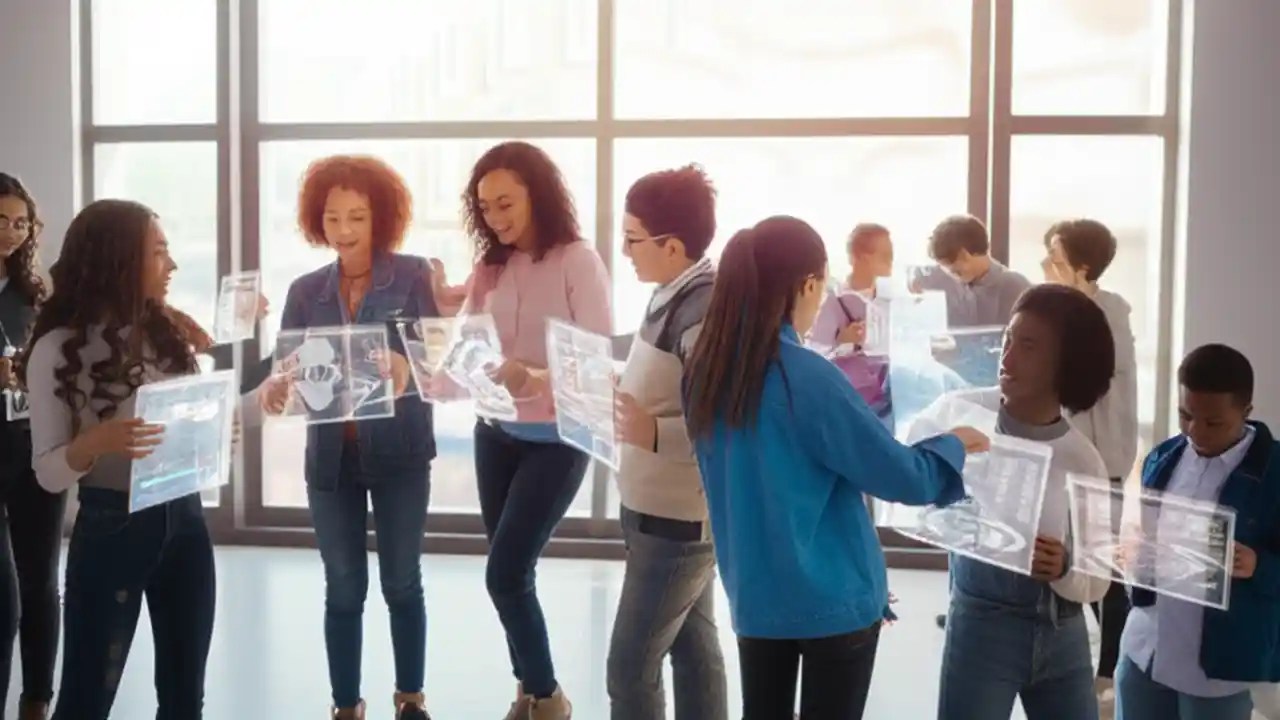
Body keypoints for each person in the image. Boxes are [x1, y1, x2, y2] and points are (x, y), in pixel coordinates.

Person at [681, 214, 989, 718]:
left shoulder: (707, 371)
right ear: (806, 284)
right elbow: (904, 477)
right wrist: (952, 444)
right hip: (831, 601)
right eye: (820, 289)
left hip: (755, 596)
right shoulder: (805, 377)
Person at [18, 199, 233, 718]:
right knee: (88, 698)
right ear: (117, 259)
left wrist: (245, 410)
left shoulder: (167, 334)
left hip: (186, 524)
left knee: (186, 698)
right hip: (112, 529)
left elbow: (195, 425)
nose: (172, 265)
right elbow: (48, 474)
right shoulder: (56, 348)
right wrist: (95, 443)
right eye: (158, 252)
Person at [259, 155, 436, 720]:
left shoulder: (413, 277)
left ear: (380, 217)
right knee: (341, 587)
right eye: (333, 218)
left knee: (402, 582)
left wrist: (406, 368)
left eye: (357, 216)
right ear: (318, 220)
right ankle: (345, 706)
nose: (344, 230)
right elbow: (285, 364)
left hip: (402, 453)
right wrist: (275, 385)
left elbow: (438, 358)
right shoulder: (305, 289)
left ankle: (410, 698)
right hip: (330, 459)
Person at [459, 140, 611, 720]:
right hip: (493, 434)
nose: (495, 218)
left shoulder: (578, 260)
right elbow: (468, 343)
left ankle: (548, 699)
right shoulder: (490, 267)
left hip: (556, 441)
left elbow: (596, 360)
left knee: (505, 573)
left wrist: (537, 377)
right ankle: (528, 690)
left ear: (536, 194)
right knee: (511, 575)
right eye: (485, 208)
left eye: (505, 203)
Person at [919, 284, 1116, 720]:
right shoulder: (959, 414)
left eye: (1027, 346)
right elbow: (908, 480)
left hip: (1064, 634)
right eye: (1007, 339)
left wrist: (1064, 566)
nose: (1006, 358)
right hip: (981, 627)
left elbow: (1097, 577)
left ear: (1066, 362)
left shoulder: (1082, 457)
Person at [607, 164, 726, 720]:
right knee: (696, 654)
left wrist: (651, 431)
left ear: (672, 246)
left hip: (677, 526)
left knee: (629, 671)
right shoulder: (670, 293)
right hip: (656, 513)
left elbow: (723, 423)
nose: (625, 251)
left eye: (632, 239)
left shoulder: (703, 308)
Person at [1115, 344, 1280, 720]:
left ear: (1247, 412)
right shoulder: (1162, 456)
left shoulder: (1275, 474)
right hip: (1145, 648)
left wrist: (1258, 566)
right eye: (1185, 415)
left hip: (1219, 667)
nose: (1195, 430)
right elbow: (1148, 539)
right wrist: (1134, 552)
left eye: (1213, 422)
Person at [915, 214, 1033, 629]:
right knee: (959, 504)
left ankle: (997, 606)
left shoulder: (1016, 287)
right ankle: (961, 601)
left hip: (999, 413)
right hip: (958, 406)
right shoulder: (947, 283)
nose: (952, 273)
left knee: (998, 508)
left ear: (967, 254)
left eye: (954, 265)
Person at [1041, 218, 1139, 711]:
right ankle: (1088, 661)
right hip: (1068, 456)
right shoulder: (1067, 312)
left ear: (1081, 267)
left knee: (1103, 565)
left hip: (1105, 461)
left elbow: (1094, 372)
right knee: (1073, 559)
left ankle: (1109, 670)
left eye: (1055, 257)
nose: (1046, 266)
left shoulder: (1110, 311)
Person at [0, 173, 62, 719]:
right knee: (3, 596)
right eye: (1, 221)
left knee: (40, 577)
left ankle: (37, 700)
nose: (11, 233)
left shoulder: (35, 293)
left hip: (30, 443)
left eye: (21, 223)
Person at [808, 222, 894, 422]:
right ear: (861, 258)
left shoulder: (891, 299)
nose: (891, 263)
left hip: (890, 397)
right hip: (852, 404)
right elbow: (814, 356)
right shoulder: (831, 302)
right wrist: (844, 342)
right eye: (885, 256)